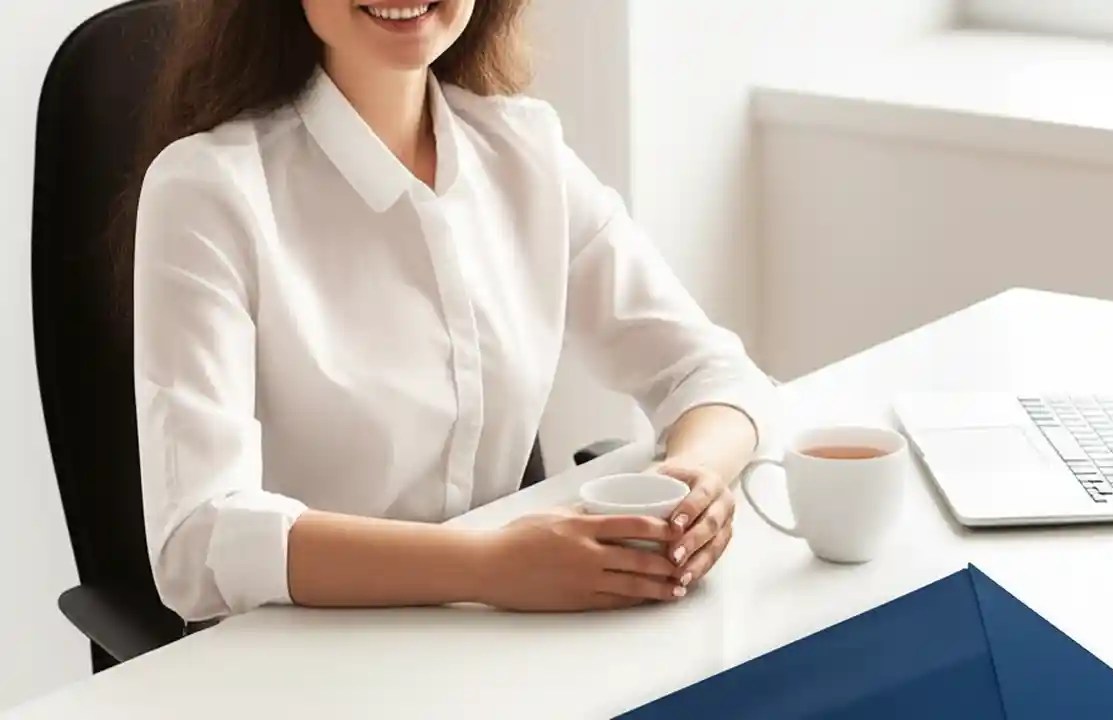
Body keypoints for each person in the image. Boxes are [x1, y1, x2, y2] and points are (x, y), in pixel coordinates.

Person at [132, 0, 776, 623]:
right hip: (296, 663)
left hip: (501, 643)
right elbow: (198, 539)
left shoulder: (525, 152)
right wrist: (492, 566)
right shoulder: (207, 192)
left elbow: (711, 369)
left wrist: (694, 483)